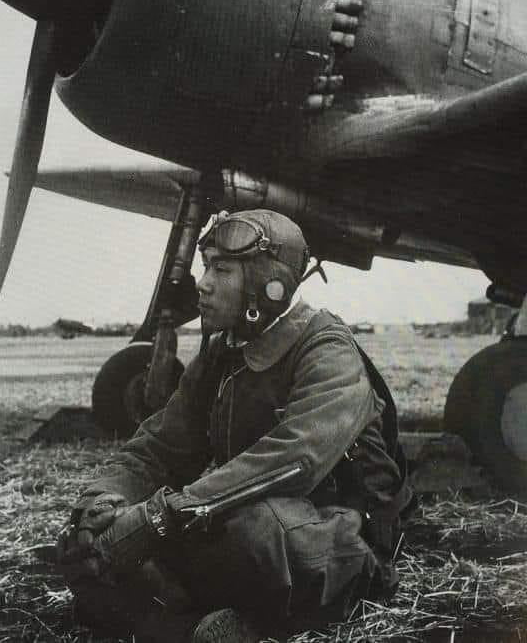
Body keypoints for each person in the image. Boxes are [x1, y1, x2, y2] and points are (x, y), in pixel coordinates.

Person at [56, 209, 414, 642]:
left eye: (220, 269)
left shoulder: (326, 349)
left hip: (340, 535)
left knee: (258, 531)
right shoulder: (222, 352)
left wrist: (156, 520)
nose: (202, 284)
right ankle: (202, 625)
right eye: (206, 266)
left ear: (268, 283)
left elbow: (296, 460)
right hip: (242, 516)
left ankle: (175, 618)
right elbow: (158, 447)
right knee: (92, 549)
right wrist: (100, 505)